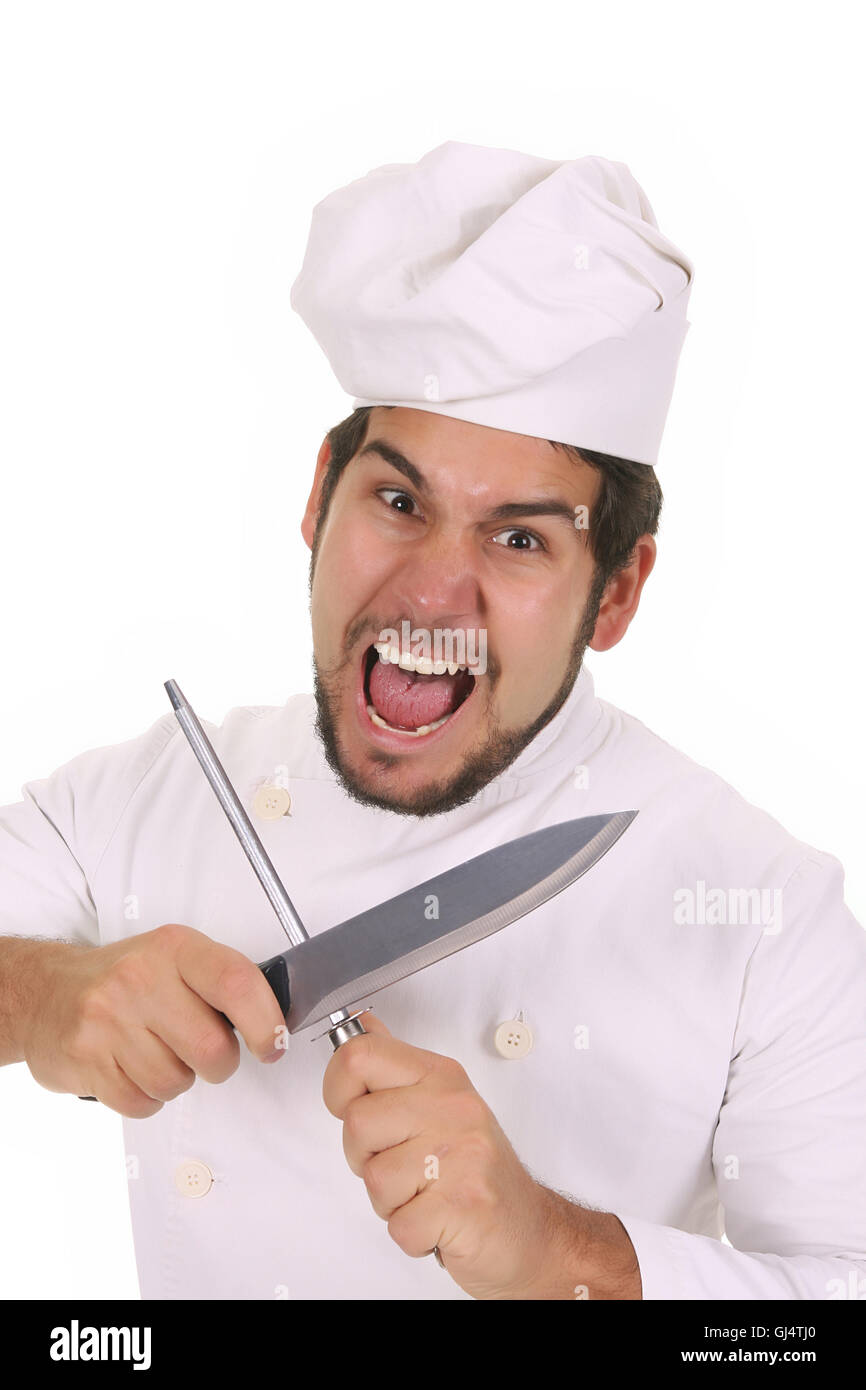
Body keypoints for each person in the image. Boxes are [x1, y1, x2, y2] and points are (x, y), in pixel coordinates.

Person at [1, 141, 864, 1301]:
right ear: (317, 498)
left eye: (518, 538)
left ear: (615, 590)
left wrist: (561, 1253)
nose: (427, 591)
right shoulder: (142, 798)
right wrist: (43, 996)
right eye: (397, 500)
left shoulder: (765, 913)